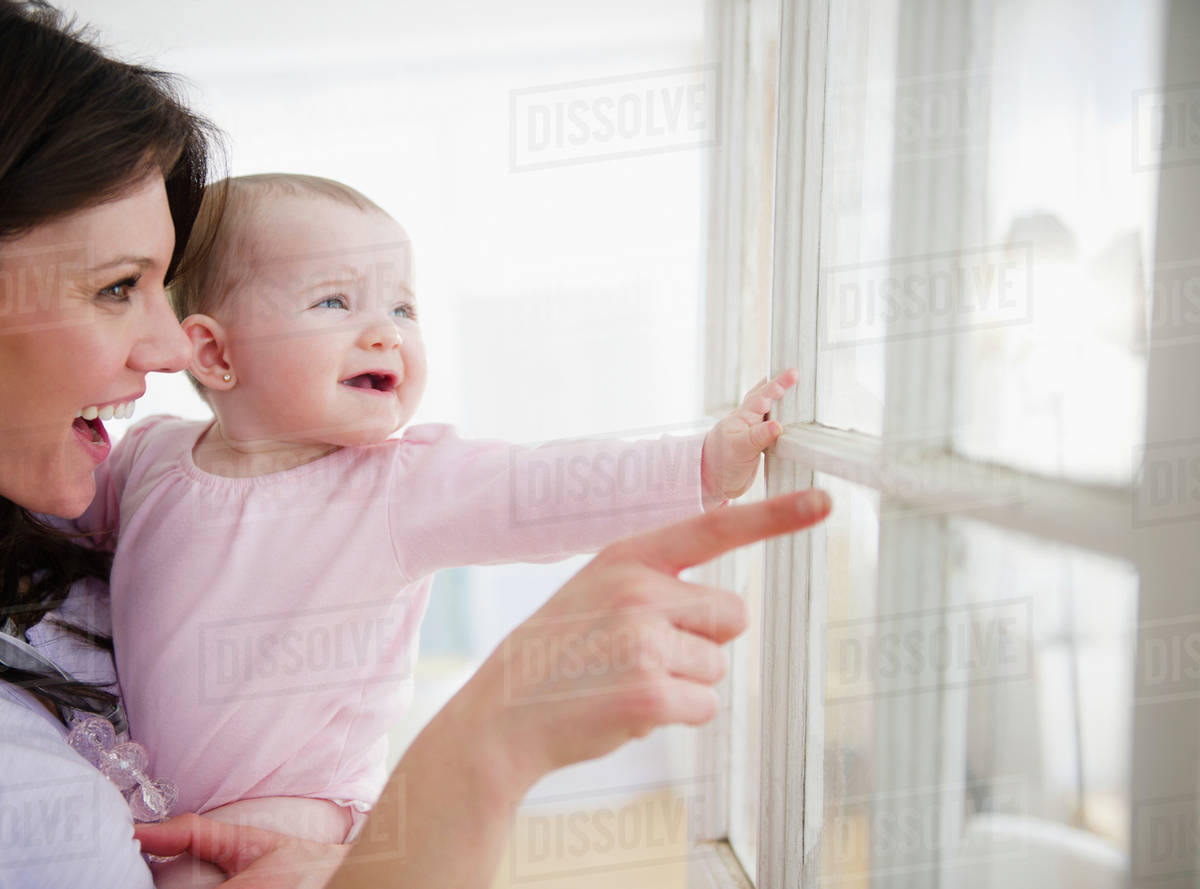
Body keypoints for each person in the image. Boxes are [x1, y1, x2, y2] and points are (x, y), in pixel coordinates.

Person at [0, 2, 832, 887]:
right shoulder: (148, 461)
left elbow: (545, 489)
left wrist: (704, 462)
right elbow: (64, 530)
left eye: (402, 307)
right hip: (160, 808)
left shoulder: (397, 482)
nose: (386, 334)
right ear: (214, 350)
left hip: (301, 807)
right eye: (335, 303)